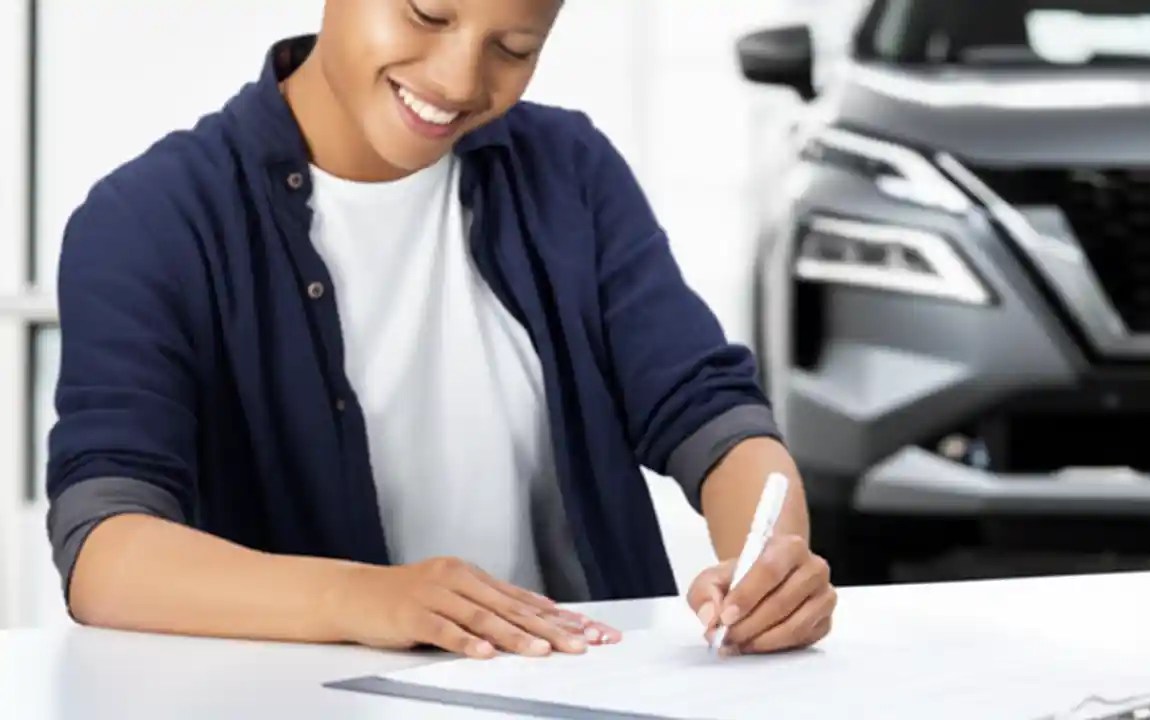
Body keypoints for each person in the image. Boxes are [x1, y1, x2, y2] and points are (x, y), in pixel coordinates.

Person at [46, 0, 836, 660]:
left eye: (513, 48)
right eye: (428, 13)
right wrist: (371, 600)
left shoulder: (570, 172)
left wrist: (771, 562)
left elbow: (711, 414)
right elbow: (108, 551)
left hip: (584, 694)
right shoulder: (149, 221)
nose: (460, 79)